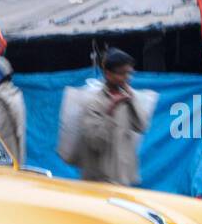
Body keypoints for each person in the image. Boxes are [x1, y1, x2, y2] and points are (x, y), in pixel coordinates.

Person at [63, 48, 148, 185]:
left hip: (122, 177)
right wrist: (111, 110)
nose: (127, 78)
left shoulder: (127, 98)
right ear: (108, 74)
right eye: (122, 74)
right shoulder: (93, 102)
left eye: (129, 73)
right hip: (99, 180)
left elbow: (141, 127)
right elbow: (95, 143)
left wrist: (132, 101)